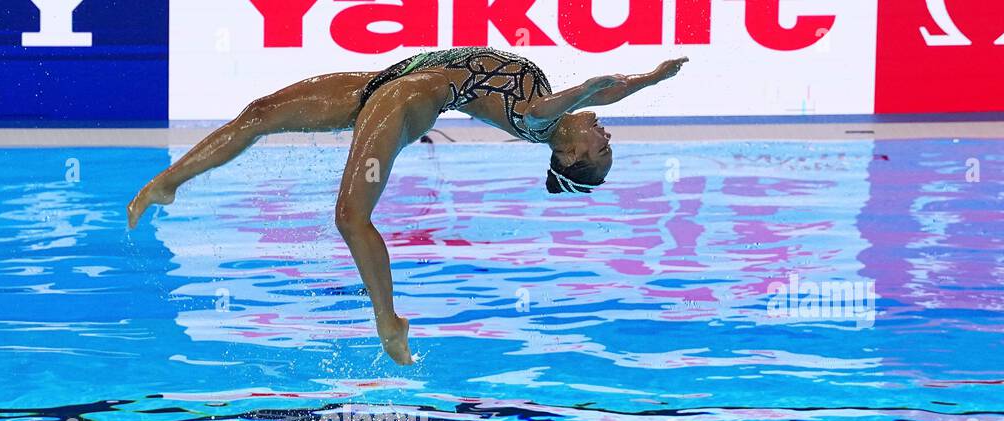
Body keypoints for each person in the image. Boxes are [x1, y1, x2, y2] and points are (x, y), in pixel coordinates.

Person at [128, 47, 689, 364]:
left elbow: (586, 91)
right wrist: (653, 79)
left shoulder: (542, 120)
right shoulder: (551, 115)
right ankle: (170, 182)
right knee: (260, 111)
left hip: (408, 100)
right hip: (388, 81)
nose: (609, 138)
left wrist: (615, 81)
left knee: (350, 216)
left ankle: (388, 322)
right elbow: (601, 93)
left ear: (567, 153)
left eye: (602, 150)